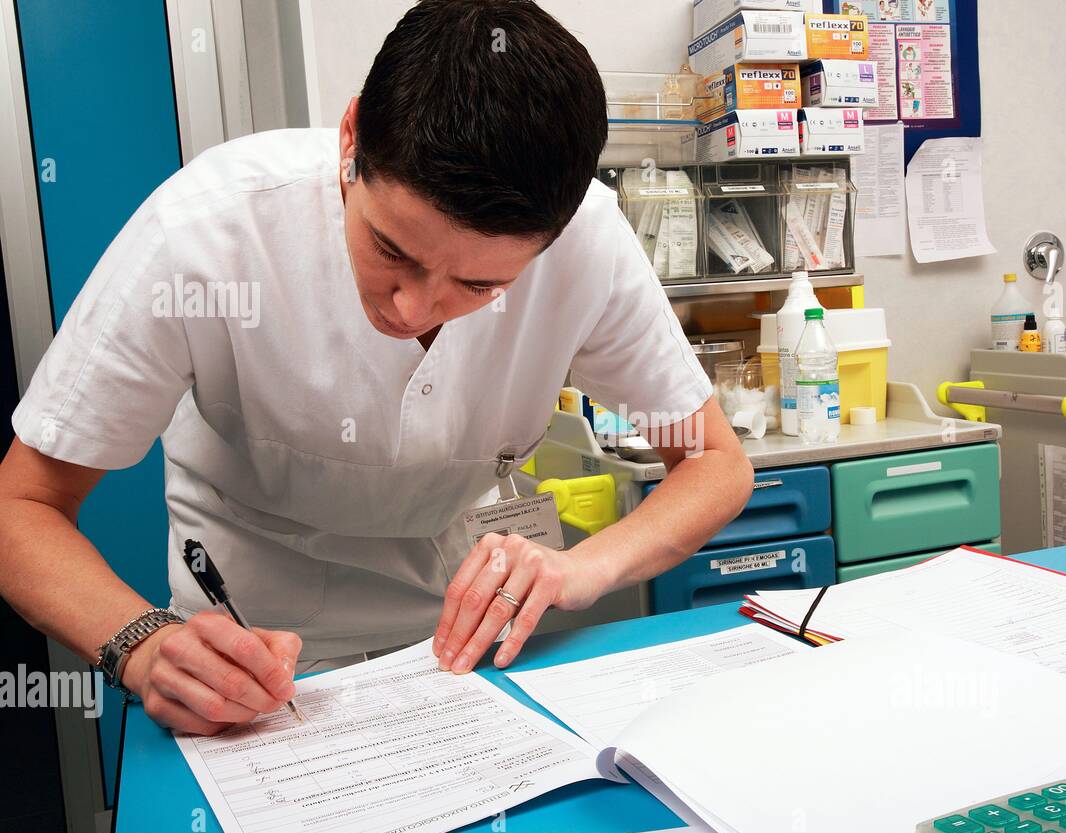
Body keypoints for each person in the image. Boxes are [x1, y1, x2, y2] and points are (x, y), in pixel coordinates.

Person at [0, 0, 752, 735]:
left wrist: (580, 571)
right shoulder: (205, 236)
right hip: (246, 662)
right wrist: (142, 645)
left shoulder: (588, 244)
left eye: (480, 285)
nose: (415, 308)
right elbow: (21, 508)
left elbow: (714, 463)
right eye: (393, 250)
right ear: (351, 138)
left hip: (457, 652)